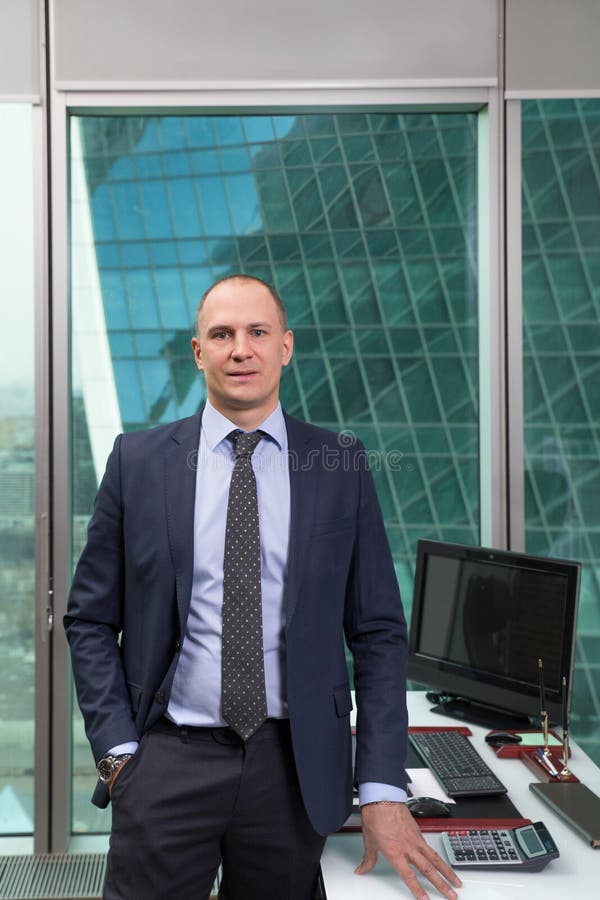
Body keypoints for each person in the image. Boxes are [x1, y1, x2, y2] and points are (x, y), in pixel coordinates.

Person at [64, 274, 461, 900]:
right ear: (199, 352)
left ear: (286, 347)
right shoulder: (137, 462)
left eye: (257, 332)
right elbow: (88, 619)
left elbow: (378, 632)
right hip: (166, 762)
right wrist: (118, 753)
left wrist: (381, 786)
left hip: (295, 769)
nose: (239, 349)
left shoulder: (341, 464)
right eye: (221, 334)